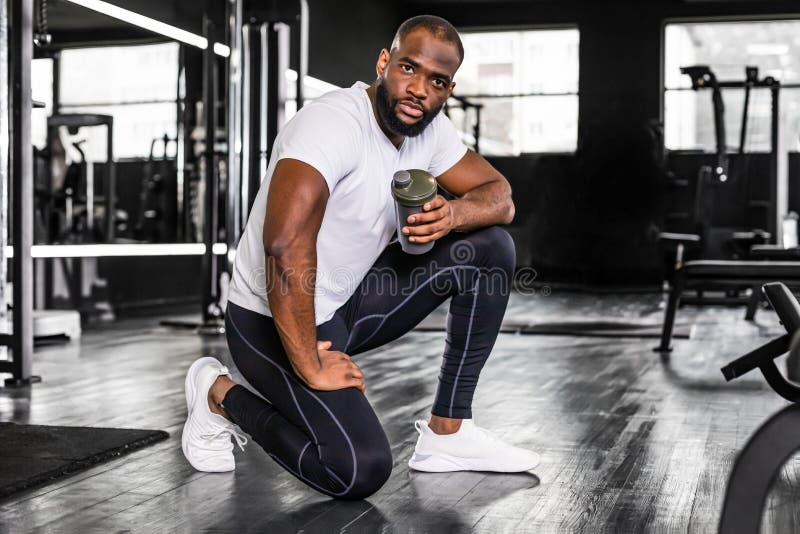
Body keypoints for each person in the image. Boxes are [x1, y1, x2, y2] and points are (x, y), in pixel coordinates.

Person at [181, 14, 540, 500]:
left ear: (448, 89)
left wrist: (451, 215)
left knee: (492, 247)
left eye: (435, 81)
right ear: (384, 62)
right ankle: (218, 395)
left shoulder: (429, 134)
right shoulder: (332, 123)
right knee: (357, 470)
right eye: (408, 69)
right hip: (270, 316)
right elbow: (284, 245)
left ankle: (448, 435)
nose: (418, 90)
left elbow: (501, 197)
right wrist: (309, 363)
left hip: (345, 301)